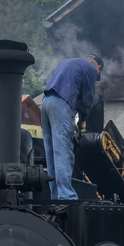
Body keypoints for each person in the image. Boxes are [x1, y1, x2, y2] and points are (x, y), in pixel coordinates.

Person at [40, 54, 103, 199]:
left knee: (51, 153)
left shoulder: (67, 62)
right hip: (61, 104)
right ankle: (66, 196)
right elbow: (87, 98)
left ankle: (55, 195)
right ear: (98, 67)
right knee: (63, 151)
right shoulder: (91, 69)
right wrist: (82, 120)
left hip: (45, 102)